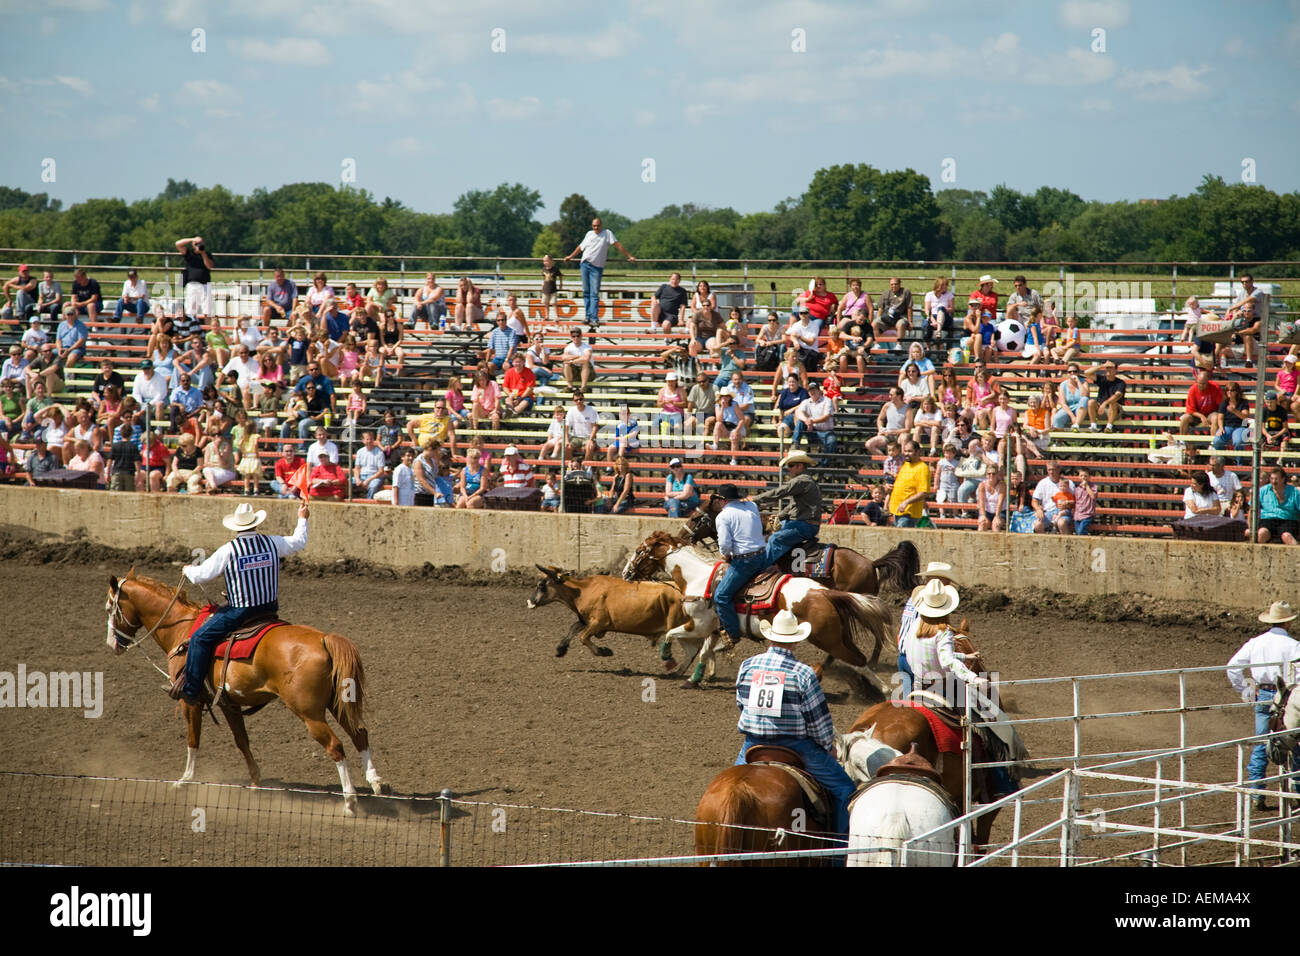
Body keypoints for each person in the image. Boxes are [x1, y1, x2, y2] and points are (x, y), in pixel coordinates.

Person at [734, 608, 855, 844]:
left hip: (752, 744)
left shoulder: (748, 665)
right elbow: (818, 721)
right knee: (845, 790)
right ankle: (838, 856)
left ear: (770, 637)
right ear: (797, 640)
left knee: (732, 783)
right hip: (796, 746)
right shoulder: (803, 674)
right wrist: (826, 745)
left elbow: (742, 703)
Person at [170, 501, 310, 705]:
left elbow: (202, 575)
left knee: (199, 638)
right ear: (255, 524)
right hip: (269, 609)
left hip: (241, 612)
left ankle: (191, 690)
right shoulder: (272, 543)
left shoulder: (229, 550)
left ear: (236, 527)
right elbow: (299, 541)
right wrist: (302, 518)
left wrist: (188, 570)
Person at [1225, 602, 1300, 810]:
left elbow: (1233, 667)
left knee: (1261, 742)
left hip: (1263, 693)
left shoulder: (1255, 643)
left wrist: (1246, 690)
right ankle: (1297, 791)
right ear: (1287, 623)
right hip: (1286, 695)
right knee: (1293, 741)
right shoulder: (1293, 646)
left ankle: (1257, 792)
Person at [713, 483, 768, 647]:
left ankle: (732, 633)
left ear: (723, 500)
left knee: (721, 596)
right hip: (763, 556)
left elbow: (725, 544)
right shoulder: (752, 505)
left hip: (745, 561)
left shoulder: (723, 516)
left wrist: (725, 554)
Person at [752, 450, 821, 567]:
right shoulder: (805, 481)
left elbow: (780, 492)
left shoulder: (801, 480)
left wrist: (754, 499)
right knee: (767, 535)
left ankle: (763, 569)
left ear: (800, 466)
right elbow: (793, 505)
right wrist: (779, 516)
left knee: (775, 539)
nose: (788, 469)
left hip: (804, 525)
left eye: (790, 465)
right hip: (803, 523)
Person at [563, 216, 635, 329]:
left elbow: (617, 245)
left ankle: (594, 318)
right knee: (586, 292)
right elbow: (581, 247)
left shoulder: (607, 233)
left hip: (597, 267)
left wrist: (629, 256)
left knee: (594, 293)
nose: (596, 228)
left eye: (597, 225)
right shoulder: (589, 234)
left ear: (601, 225)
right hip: (585, 263)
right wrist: (571, 257)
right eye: (594, 226)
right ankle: (588, 316)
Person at [889, 440, 932, 528]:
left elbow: (924, 492)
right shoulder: (906, 464)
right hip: (898, 510)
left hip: (908, 513)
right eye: (905, 451)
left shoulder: (923, 468)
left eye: (909, 451)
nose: (906, 453)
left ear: (918, 452)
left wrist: (906, 502)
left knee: (903, 540)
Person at [175, 236, 216, 322]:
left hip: (205, 284)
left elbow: (209, 266)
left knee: (207, 309)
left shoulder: (207, 254)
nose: (198, 245)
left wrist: (203, 253)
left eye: (200, 243)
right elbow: (178, 244)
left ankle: (207, 329)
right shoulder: (189, 253)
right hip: (192, 284)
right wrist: (192, 239)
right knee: (191, 309)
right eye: (197, 244)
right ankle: (192, 328)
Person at [1256, 465, 1300, 545]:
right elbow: (1252, 510)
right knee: (1262, 533)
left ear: (1283, 479)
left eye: (1276, 479)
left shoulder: (1294, 492)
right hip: (1268, 520)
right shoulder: (1263, 491)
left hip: (1288, 520)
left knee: (1287, 536)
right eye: (1272, 479)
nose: (1273, 481)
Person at [1032, 460, 1076, 534]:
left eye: (1053, 469)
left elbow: (1075, 502)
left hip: (1063, 512)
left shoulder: (1068, 483)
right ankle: (1044, 544)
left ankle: (1066, 543)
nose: (1051, 472)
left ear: (1058, 470)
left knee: (1061, 523)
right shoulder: (1043, 483)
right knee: (1037, 524)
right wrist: (1038, 509)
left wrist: (1068, 504)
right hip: (1048, 512)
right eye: (1049, 470)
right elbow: (1034, 501)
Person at [1179, 367, 1223, 437]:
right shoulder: (1192, 389)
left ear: (1208, 381)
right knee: (1185, 418)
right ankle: (1182, 441)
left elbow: (1220, 405)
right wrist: (1202, 416)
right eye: (1199, 383)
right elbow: (1191, 410)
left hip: (1211, 414)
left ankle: (1212, 443)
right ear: (1196, 381)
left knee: (1215, 417)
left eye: (1204, 384)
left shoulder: (1215, 388)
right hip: (1196, 415)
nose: (1201, 386)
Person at [874, 277, 913, 343]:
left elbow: (909, 308)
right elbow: (880, 308)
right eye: (892, 284)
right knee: (874, 323)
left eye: (896, 284)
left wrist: (910, 322)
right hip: (887, 317)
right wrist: (878, 319)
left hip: (900, 317)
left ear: (900, 284)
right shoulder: (886, 293)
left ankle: (899, 344)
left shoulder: (905, 292)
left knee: (901, 324)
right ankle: (877, 343)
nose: (894, 286)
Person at [352, 430, 389, 499]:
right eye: (367, 439)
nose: (369, 441)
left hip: (374, 476)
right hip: (362, 475)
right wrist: (357, 479)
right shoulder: (360, 452)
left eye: (371, 439)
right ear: (363, 440)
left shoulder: (379, 452)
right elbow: (357, 468)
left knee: (373, 486)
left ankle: (368, 502)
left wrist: (367, 480)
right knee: (348, 482)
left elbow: (381, 471)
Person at [923, 277, 954, 344]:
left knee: (940, 308)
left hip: (945, 317)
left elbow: (952, 309)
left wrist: (944, 309)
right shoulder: (929, 295)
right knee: (926, 326)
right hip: (933, 316)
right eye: (943, 285)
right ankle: (928, 347)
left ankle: (938, 331)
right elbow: (927, 310)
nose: (945, 287)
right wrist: (934, 321)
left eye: (946, 285)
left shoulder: (949, 294)